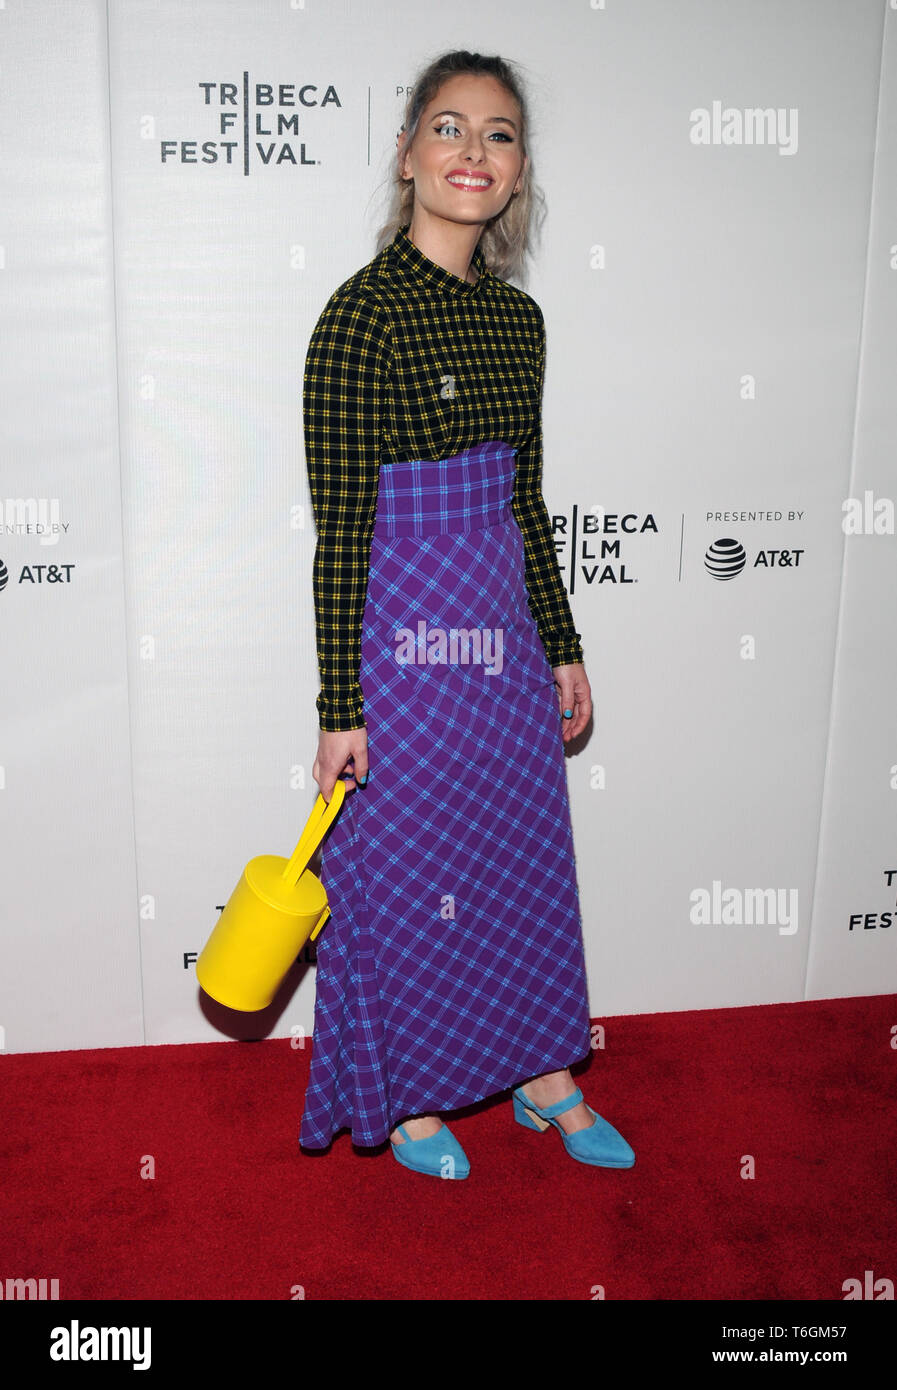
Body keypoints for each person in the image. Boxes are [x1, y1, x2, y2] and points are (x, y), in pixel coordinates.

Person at [299, 48, 634, 1179]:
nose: (471, 153)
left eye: (497, 134)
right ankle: (413, 1095)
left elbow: (527, 502)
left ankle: (544, 1072)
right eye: (448, 128)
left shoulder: (518, 322)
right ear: (406, 155)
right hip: (404, 632)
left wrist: (565, 641)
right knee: (410, 867)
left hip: (503, 625)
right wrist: (340, 703)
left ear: (519, 167)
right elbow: (341, 529)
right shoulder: (358, 320)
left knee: (519, 857)